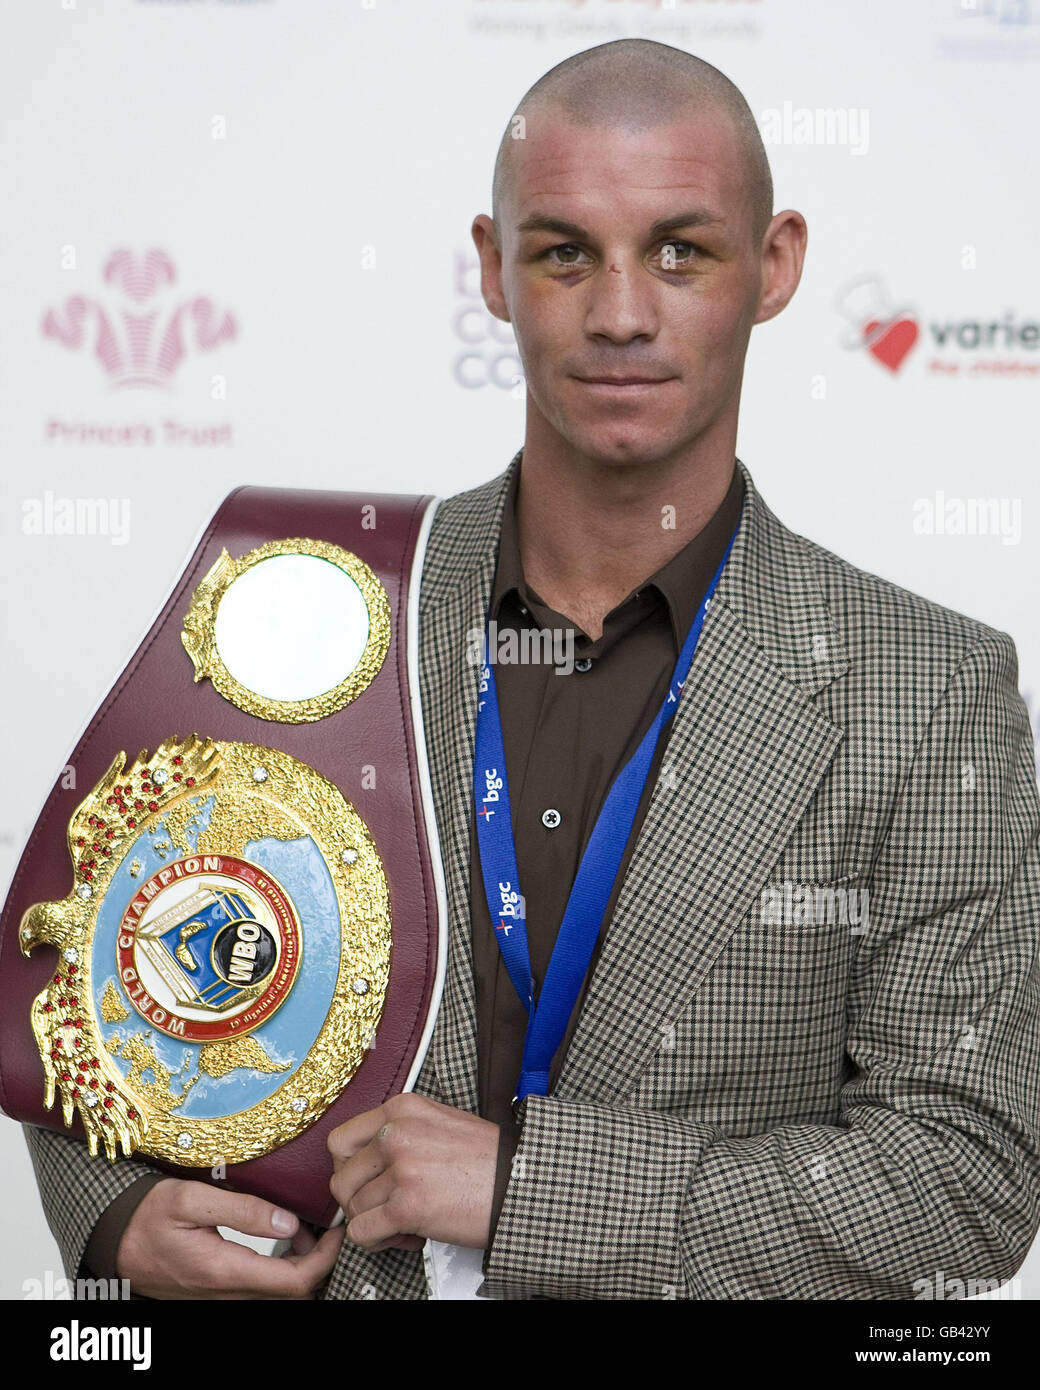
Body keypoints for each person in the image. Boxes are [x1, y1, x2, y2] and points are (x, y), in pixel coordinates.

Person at [24, 38, 1040, 1301]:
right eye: (563, 252)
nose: (619, 312)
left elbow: (961, 1177)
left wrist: (525, 1190)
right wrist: (111, 1209)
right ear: (494, 270)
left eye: (680, 250)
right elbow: (98, 969)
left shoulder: (928, 688)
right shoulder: (317, 591)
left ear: (772, 268)